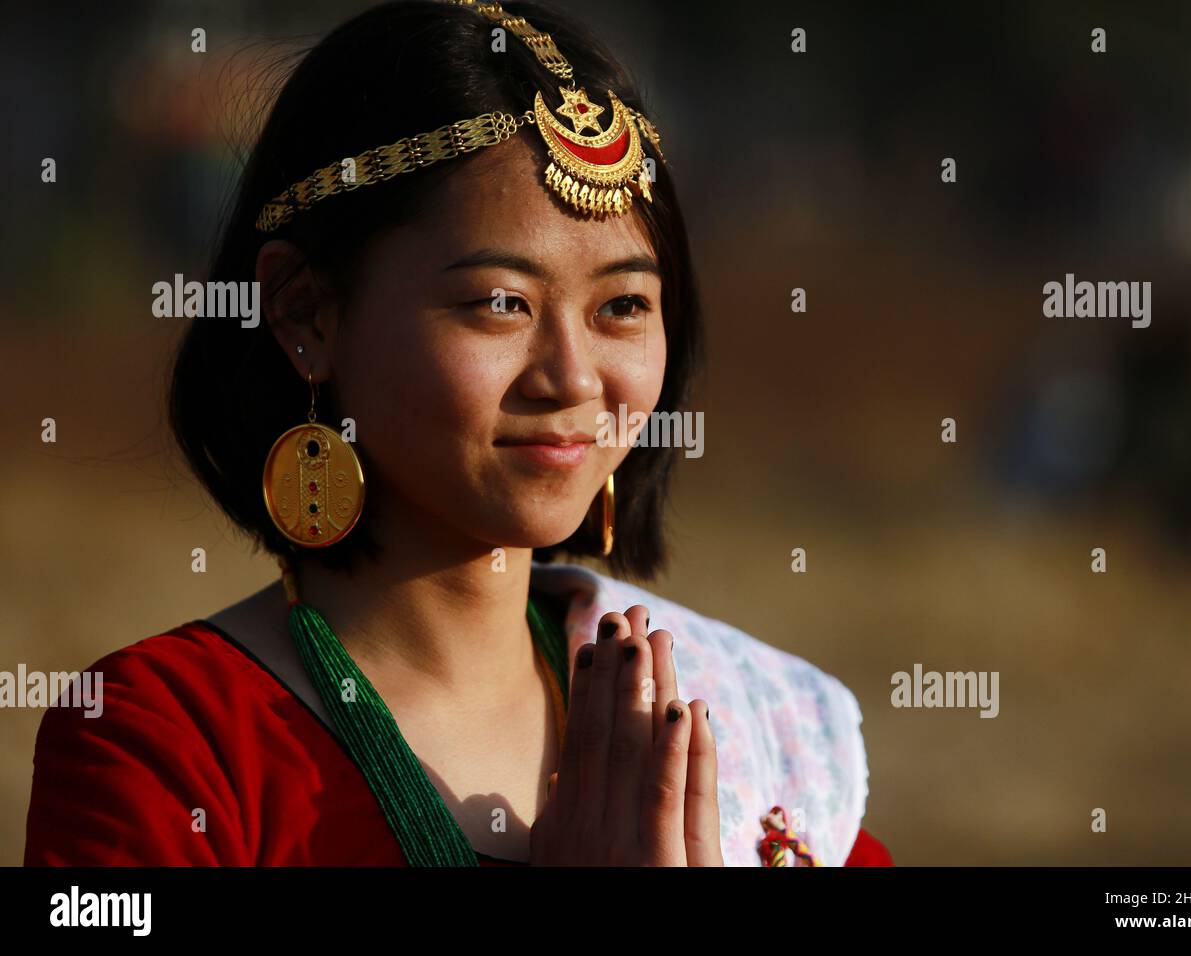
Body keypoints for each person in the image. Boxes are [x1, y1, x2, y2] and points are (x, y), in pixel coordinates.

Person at [24, 0, 890, 867]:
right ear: (307, 312)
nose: (575, 379)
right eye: (500, 303)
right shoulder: (168, 745)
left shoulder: (753, 731)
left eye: (622, 306)